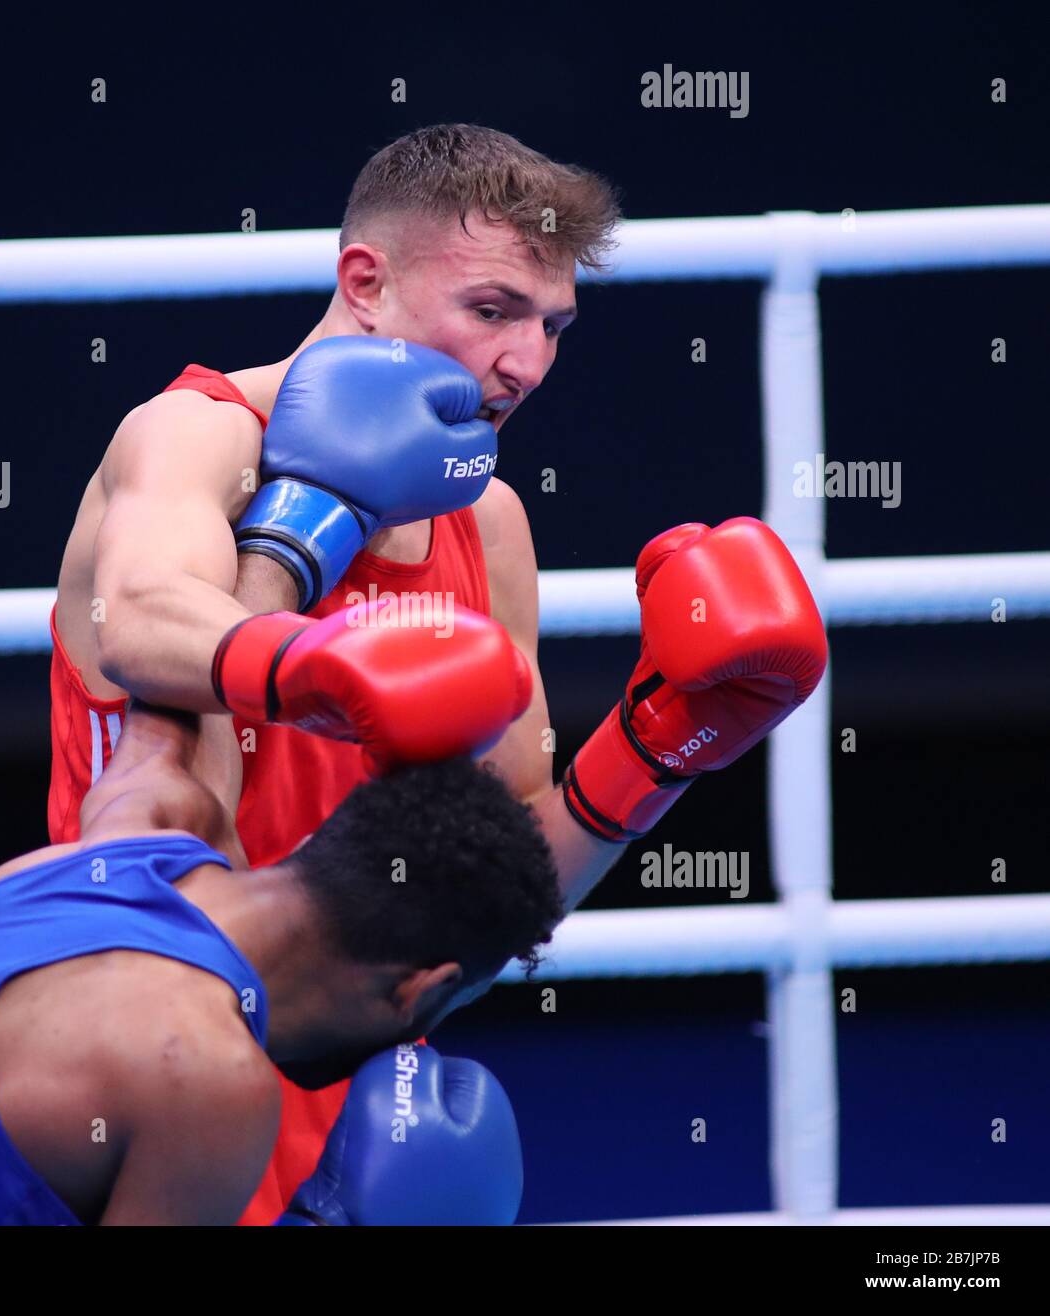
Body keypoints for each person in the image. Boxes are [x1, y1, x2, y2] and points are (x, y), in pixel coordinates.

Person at [48, 123, 828, 1223]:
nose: (526, 364)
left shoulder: (489, 524)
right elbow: (137, 619)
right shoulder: (195, 436)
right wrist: (334, 657)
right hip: (129, 1046)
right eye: (493, 309)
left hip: (340, 1076)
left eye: (554, 325)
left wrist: (657, 752)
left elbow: (494, 889)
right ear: (364, 280)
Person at [0, 608, 559, 1225]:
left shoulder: (136, 834)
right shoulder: (209, 1077)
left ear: (320, 838)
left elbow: (182, 677)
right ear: (422, 987)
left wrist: (303, 520)